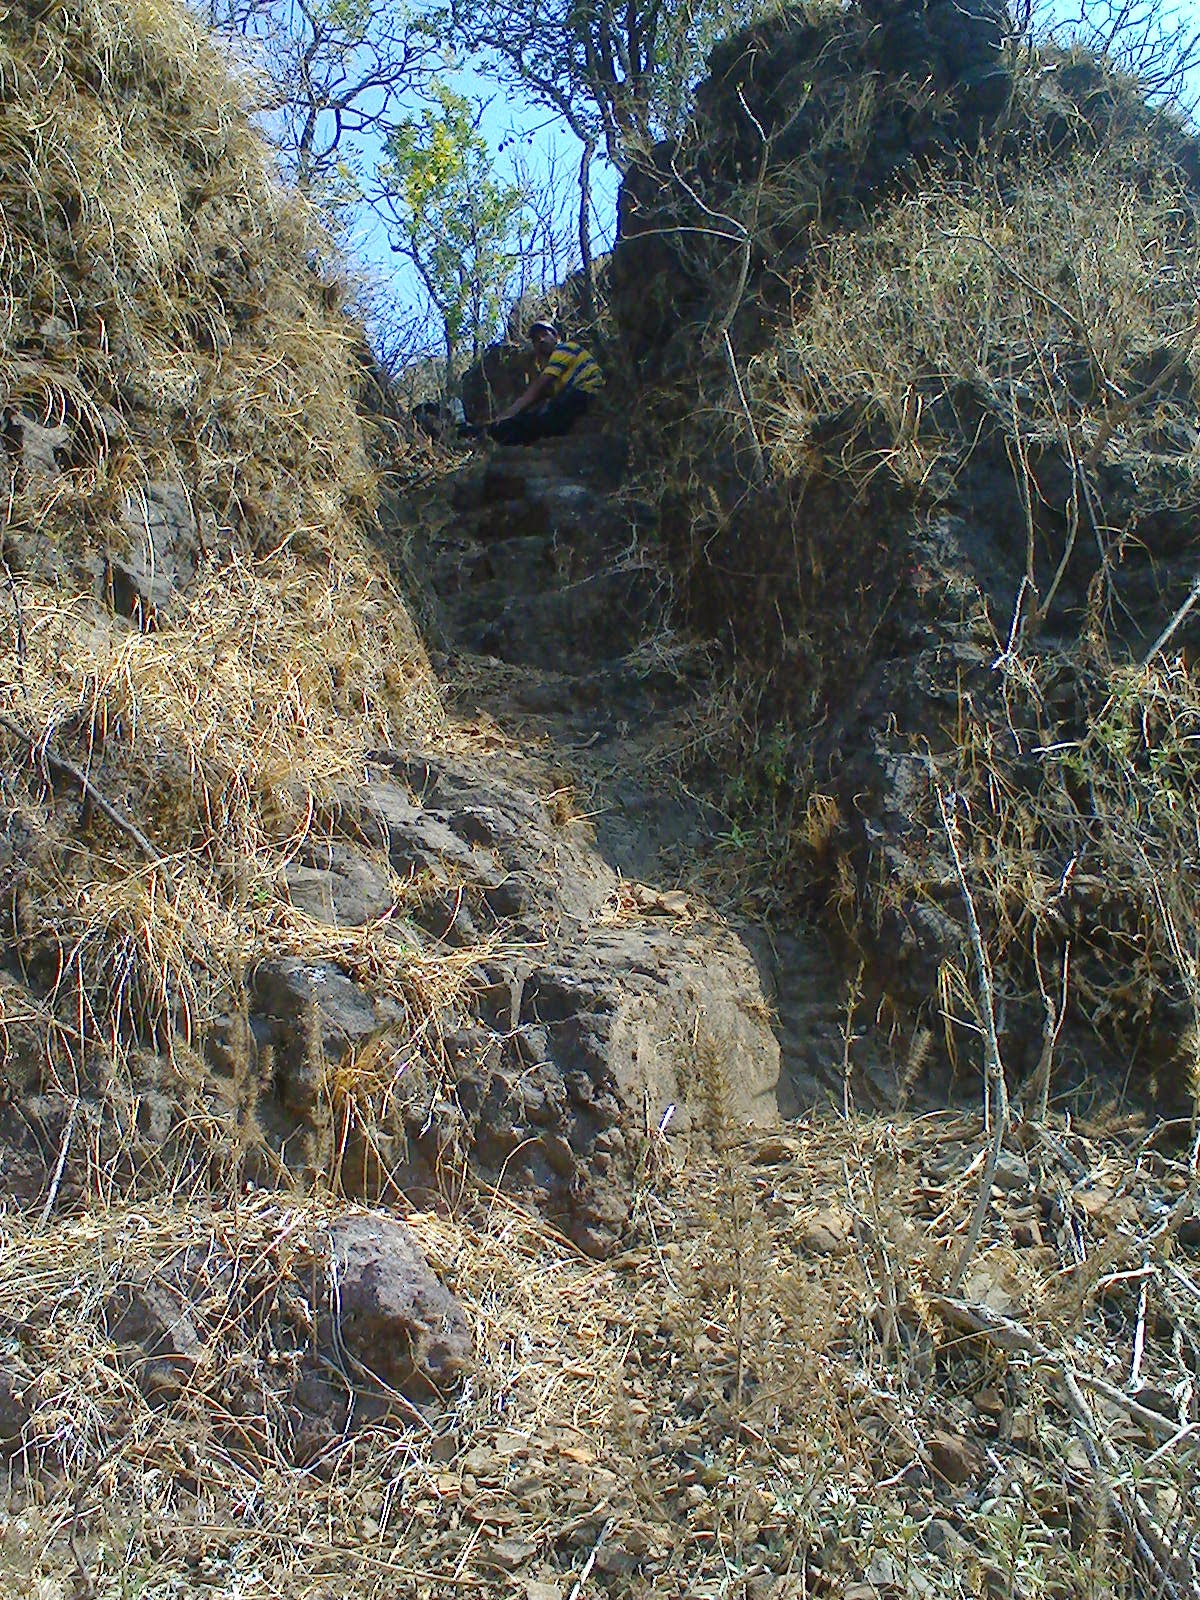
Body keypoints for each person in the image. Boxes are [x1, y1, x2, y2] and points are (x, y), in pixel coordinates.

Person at [485, 321, 604, 446]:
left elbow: (538, 388)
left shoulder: (565, 349)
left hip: (585, 392)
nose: (541, 340)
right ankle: (496, 431)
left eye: (545, 335)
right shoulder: (557, 370)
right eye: (536, 339)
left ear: (556, 337)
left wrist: (510, 413)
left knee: (541, 418)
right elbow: (542, 394)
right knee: (534, 418)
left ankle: (496, 432)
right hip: (575, 396)